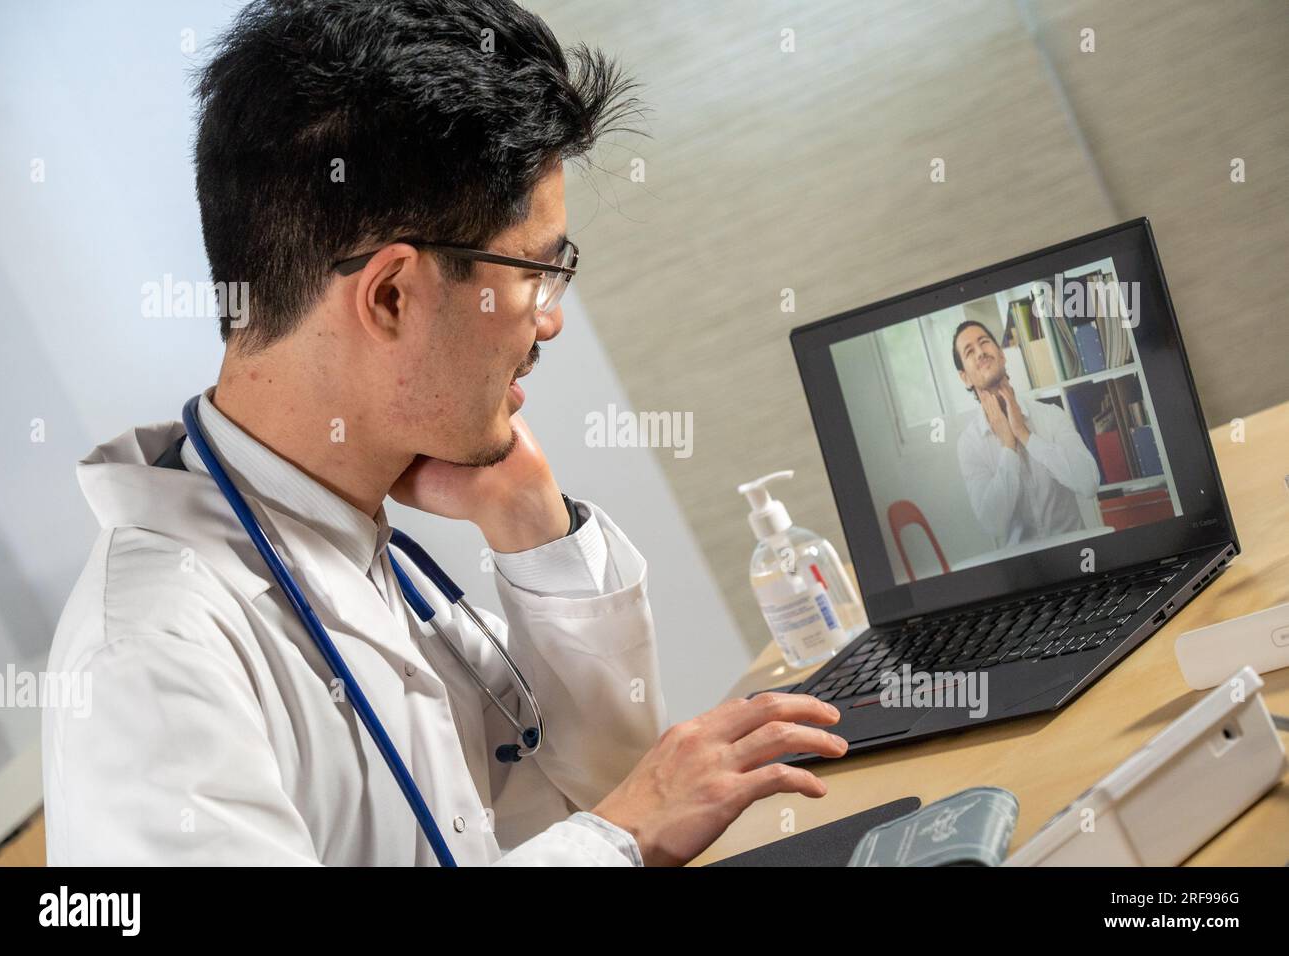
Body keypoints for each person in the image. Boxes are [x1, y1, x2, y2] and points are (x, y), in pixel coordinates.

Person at [42, 0, 847, 867]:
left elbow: (599, 790)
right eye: (537, 271)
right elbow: (620, 824)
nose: (549, 321)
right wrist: (618, 840)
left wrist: (535, 522)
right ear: (390, 295)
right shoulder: (151, 653)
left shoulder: (346, 535)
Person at [951, 320, 1100, 546]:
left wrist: (1025, 435)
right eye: (970, 351)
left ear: (1001, 354)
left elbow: (1089, 483)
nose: (980, 352)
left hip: (1075, 554)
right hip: (1027, 570)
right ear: (965, 377)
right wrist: (1008, 447)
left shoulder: (1051, 415)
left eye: (984, 343)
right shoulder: (969, 444)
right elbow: (992, 524)